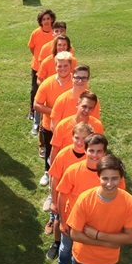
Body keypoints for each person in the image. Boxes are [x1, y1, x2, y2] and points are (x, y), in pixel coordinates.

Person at [52, 134, 124, 264]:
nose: (95, 155)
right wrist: (63, 222)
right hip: (72, 222)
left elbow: (119, 197)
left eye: (99, 151)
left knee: (86, 253)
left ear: (105, 153)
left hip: (95, 225)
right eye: (91, 150)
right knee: (66, 249)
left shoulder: (110, 175)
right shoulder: (73, 170)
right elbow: (62, 196)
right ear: (85, 151)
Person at [45, 121, 94, 261]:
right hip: (64, 198)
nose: (80, 142)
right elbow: (54, 179)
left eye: (84, 138)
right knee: (58, 220)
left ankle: (78, 248)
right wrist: (54, 201)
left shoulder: (92, 156)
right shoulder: (63, 154)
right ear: (72, 137)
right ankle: (56, 243)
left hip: (82, 202)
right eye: (77, 137)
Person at [33, 54, 75, 184]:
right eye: (59, 65)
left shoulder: (77, 83)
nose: (62, 68)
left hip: (72, 127)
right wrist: (55, 113)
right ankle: (48, 172)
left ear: (71, 67)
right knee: (50, 152)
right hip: (50, 126)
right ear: (55, 66)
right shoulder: (47, 83)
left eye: (65, 66)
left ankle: (68, 173)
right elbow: (36, 105)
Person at [50, 90, 102, 162]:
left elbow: (100, 149)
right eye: (84, 106)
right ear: (77, 104)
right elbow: (55, 150)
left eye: (90, 108)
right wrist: (53, 171)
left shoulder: (97, 125)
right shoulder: (63, 125)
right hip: (66, 164)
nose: (86, 110)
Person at [28, 9, 56, 125]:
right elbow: (32, 47)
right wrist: (38, 59)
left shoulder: (55, 34)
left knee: (51, 90)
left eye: (48, 19)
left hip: (52, 68)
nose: (46, 21)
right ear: (40, 21)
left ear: (52, 20)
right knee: (35, 89)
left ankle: (51, 110)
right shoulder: (35, 33)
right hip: (37, 67)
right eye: (44, 19)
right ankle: (33, 110)